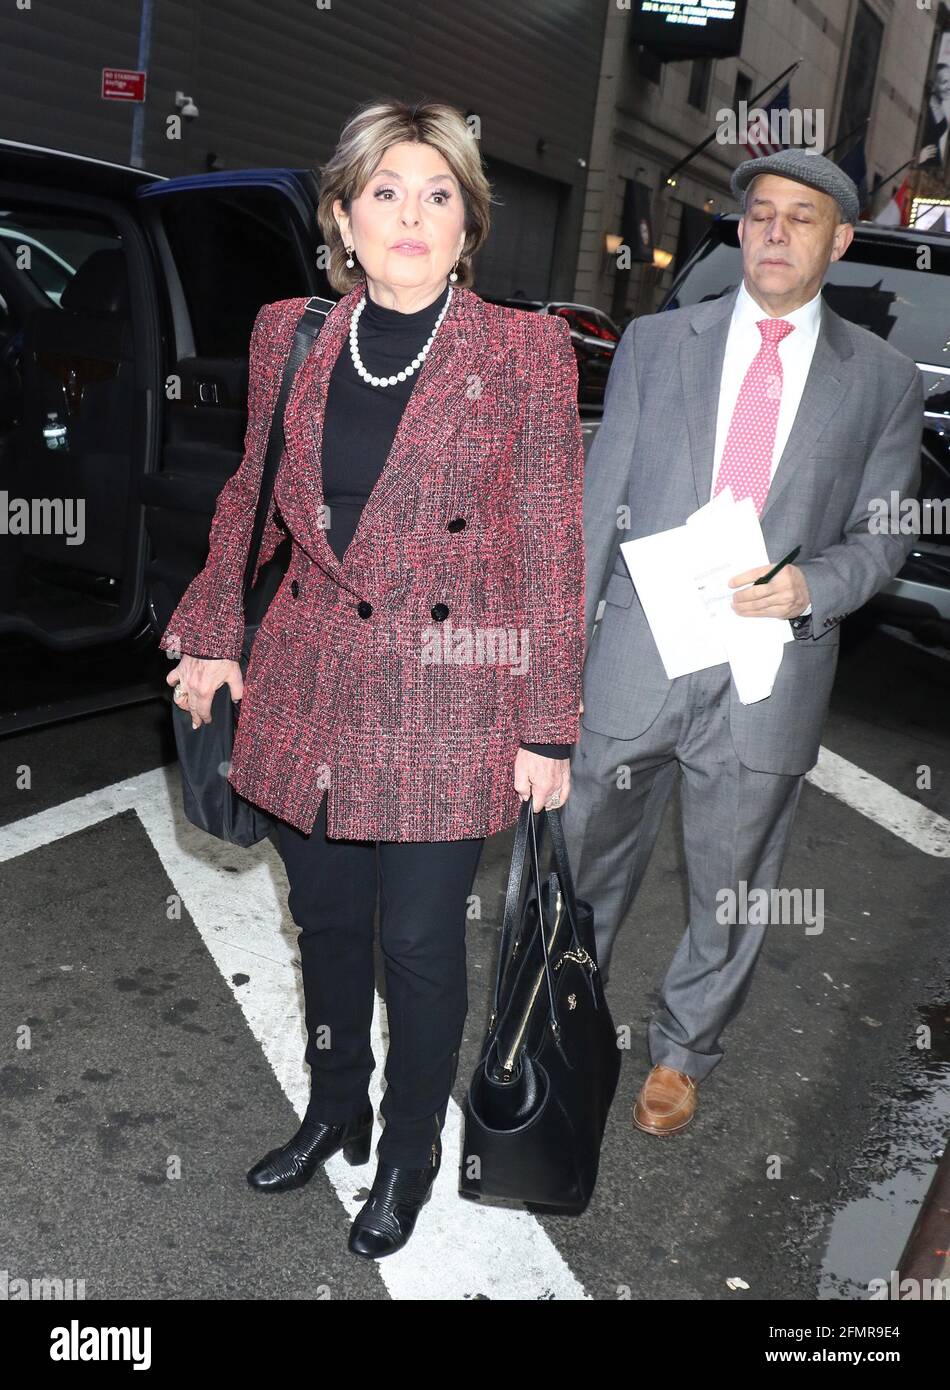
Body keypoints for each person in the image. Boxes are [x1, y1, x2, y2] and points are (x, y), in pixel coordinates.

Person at [159, 98, 585, 1257]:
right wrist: (211, 633)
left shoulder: (523, 353)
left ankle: (405, 1155)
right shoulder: (289, 334)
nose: (412, 214)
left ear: (467, 224)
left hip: (450, 689)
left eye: (437, 194)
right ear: (342, 215)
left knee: (417, 944)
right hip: (307, 674)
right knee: (326, 925)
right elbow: (247, 498)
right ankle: (333, 1108)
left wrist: (547, 725)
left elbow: (550, 545)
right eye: (386, 192)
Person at [561, 149, 923, 1136]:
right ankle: (560, 1012)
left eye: (797, 218)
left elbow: (887, 527)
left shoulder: (882, 378)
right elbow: (600, 505)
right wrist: (556, 662)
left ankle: (682, 1053)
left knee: (732, 878)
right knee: (579, 850)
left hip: (769, 667)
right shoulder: (654, 339)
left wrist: (818, 584)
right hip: (639, 649)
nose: (771, 232)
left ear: (836, 241)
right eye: (757, 214)